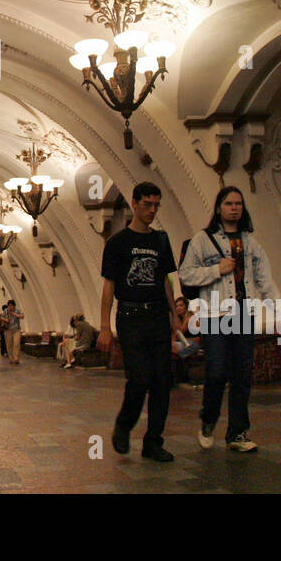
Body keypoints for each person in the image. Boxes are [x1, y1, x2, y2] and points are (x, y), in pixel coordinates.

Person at [178, 185, 279, 453]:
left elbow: (263, 278)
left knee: (242, 374)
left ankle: (237, 433)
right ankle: (208, 420)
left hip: (244, 313)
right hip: (214, 314)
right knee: (217, 371)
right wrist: (216, 270)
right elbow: (186, 275)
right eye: (229, 203)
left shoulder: (250, 241)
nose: (234, 208)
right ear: (219, 208)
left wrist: (278, 309)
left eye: (238, 204)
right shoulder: (202, 239)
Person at [97, 182, 179, 463]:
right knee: (139, 377)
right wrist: (105, 327)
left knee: (161, 381)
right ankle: (124, 424)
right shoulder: (118, 243)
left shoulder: (161, 241)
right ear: (134, 204)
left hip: (157, 316)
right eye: (147, 204)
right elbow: (109, 287)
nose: (152, 211)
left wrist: (175, 316)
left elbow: (166, 282)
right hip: (130, 316)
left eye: (156, 205)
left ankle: (153, 441)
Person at [171, 297, 201, 385]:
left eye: (181, 305)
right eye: (176, 306)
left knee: (169, 347)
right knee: (170, 351)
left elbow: (179, 333)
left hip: (194, 344)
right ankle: (176, 378)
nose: (178, 308)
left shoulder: (191, 318)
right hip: (185, 343)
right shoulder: (179, 319)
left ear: (186, 306)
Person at [0, 300, 24, 364]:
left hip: (16, 330)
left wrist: (15, 314)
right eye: (9, 305)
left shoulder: (17, 311)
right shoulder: (6, 311)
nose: (10, 307)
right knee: (9, 344)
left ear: (14, 306)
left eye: (11, 306)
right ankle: (11, 358)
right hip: (8, 330)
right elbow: (1, 317)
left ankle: (16, 358)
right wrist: (5, 319)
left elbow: (22, 316)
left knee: (16, 343)